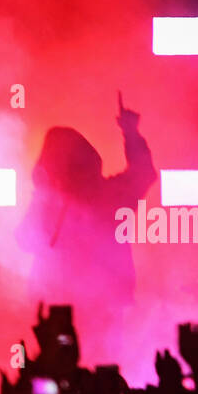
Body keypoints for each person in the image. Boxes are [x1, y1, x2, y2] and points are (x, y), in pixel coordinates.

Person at [15, 93, 156, 365]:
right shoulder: (50, 201)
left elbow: (143, 175)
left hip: (94, 305)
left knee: (91, 366)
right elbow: (26, 239)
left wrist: (131, 134)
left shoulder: (104, 197)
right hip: (66, 304)